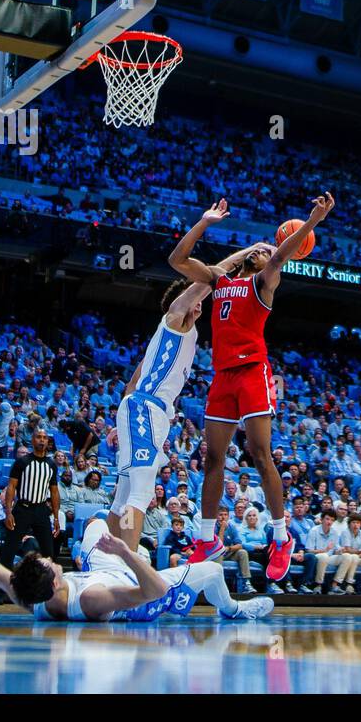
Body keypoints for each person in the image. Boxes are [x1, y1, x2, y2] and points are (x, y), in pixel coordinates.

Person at [171, 193, 335, 585]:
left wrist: (311, 223)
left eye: (269, 252)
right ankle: (206, 539)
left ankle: (281, 537)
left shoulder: (264, 282)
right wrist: (205, 223)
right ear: (247, 256)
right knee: (213, 458)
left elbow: (279, 258)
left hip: (251, 373)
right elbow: (177, 260)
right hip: (223, 376)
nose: (266, 252)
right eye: (260, 250)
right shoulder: (219, 279)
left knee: (260, 453)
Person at [103, 214, 226, 553]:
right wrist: (243, 256)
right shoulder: (174, 316)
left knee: (124, 497)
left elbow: (132, 381)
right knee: (141, 493)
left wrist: (120, 423)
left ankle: (105, 562)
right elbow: (211, 279)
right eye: (195, 297)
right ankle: (128, 573)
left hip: (149, 414)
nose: (200, 303)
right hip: (145, 408)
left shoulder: (178, 337)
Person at [0, 518, 273, 623]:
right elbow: (155, 590)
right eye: (47, 565)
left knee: (96, 525)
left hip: (102, 572)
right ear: (56, 582)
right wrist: (127, 553)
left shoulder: (29, 594)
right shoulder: (92, 600)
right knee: (212, 572)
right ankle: (234, 609)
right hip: (144, 594)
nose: (47, 559)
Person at [0, 428, 60, 567]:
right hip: (22, 508)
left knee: (48, 551)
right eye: (38, 437)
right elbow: (11, 487)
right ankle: (0, 587)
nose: (42, 440)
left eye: (44, 437)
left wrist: (56, 517)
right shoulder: (22, 462)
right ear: (32, 440)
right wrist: (8, 512)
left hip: (41, 509)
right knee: (10, 548)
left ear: (48, 441)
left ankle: (48, 584)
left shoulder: (51, 465)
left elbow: (54, 492)